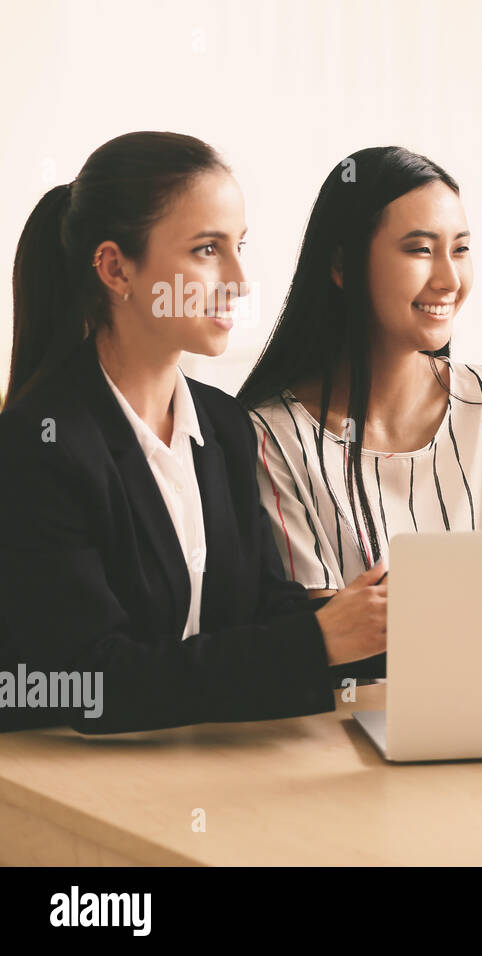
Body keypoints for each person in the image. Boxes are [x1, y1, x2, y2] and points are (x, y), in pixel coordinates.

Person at [0, 133, 385, 734]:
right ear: (115, 268)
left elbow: (255, 608)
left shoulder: (223, 425)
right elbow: (94, 681)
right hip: (67, 787)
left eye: (240, 247)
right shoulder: (37, 447)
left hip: (202, 765)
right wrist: (317, 643)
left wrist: (373, 619)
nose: (238, 281)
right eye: (207, 250)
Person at [239, 148, 482, 682]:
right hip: (349, 732)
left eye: (460, 250)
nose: (448, 279)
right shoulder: (270, 437)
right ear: (343, 266)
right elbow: (334, 635)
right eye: (420, 250)